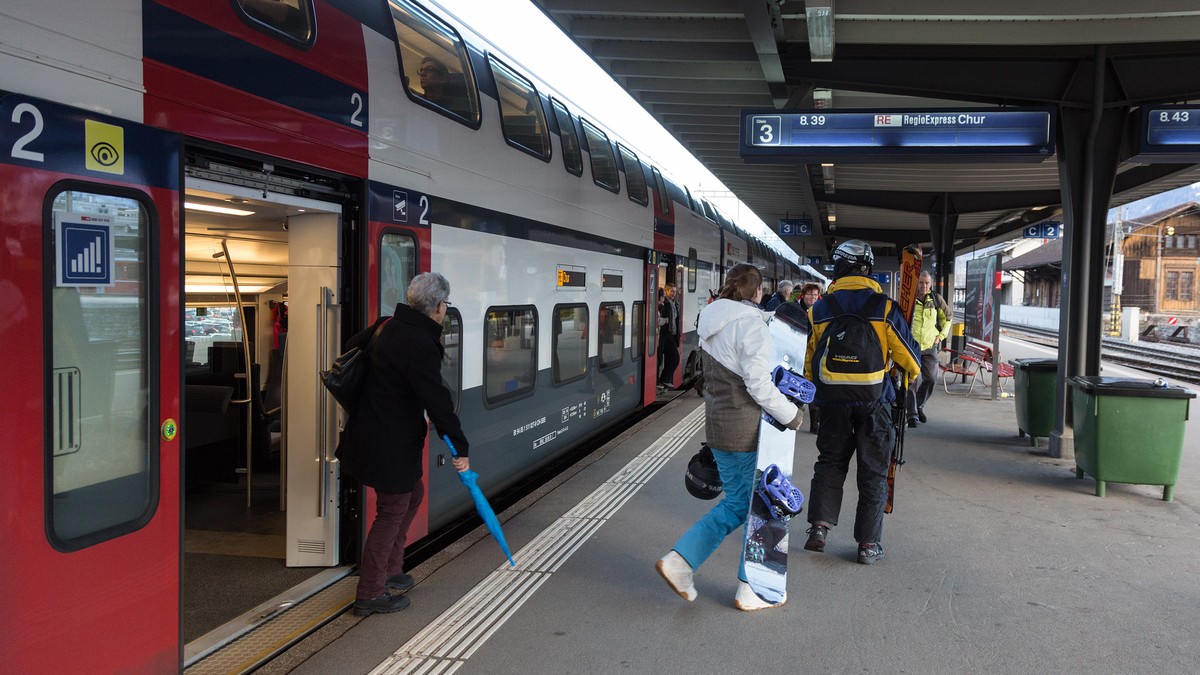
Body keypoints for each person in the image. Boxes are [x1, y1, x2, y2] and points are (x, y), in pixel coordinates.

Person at [656, 263, 803, 611]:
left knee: (740, 503)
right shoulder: (750, 323)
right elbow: (758, 384)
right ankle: (749, 587)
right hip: (747, 428)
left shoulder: (710, 316)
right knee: (762, 504)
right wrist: (792, 415)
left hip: (718, 424)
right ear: (757, 292)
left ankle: (687, 565)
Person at [335, 272, 470, 616]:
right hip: (389, 443)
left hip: (377, 435)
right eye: (446, 305)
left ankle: (392, 570)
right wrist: (460, 447)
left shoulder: (386, 325)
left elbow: (352, 343)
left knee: (414, 495)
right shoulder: (420, 344)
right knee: (391, 513)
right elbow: (437, 401)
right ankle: (369, 593)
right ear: (439, 307)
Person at [802, 240, 919, 565]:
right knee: (873, 473)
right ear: (868, 269)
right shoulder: (884, 307)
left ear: (838, 269)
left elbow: (809, 360)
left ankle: (819, 528)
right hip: (874, 401)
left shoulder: (820, 309)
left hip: (832, 402)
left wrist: (817, 394)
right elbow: (911, 362)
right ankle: (868, 545)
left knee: (829, 463)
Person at [907, 271, 952, 427]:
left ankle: (919, 406)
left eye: (926, 283)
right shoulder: (910, 300)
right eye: (921, 283)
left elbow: (948, 318)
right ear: (917, 283)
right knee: (911, 381)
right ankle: (911, 415)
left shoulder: (936, 299)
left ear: (930, 284)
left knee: (931, 379)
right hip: (911, 346)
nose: (924, 286)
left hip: (929, 346)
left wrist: (940, 336)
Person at [791, 283, 823, 433]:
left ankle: (814, 424)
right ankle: (792, 416)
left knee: (811, 386)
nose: (813, 298)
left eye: (815, 295)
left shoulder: (820, 311)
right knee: (796, 384)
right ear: (803, 295)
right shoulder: (795, 309)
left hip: (812, 354)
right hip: (796, 352)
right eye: (810, 294)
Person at [657, 283, 680, 390]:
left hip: (670, 334)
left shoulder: (675, 304)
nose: (674, 294)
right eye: (672, 291)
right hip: (664, 335)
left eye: (675, 291)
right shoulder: (665, 304)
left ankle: (665, 379)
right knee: (673, 357)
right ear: (666, 292)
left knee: (673, 357)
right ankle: (664, 379)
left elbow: (676, 320)